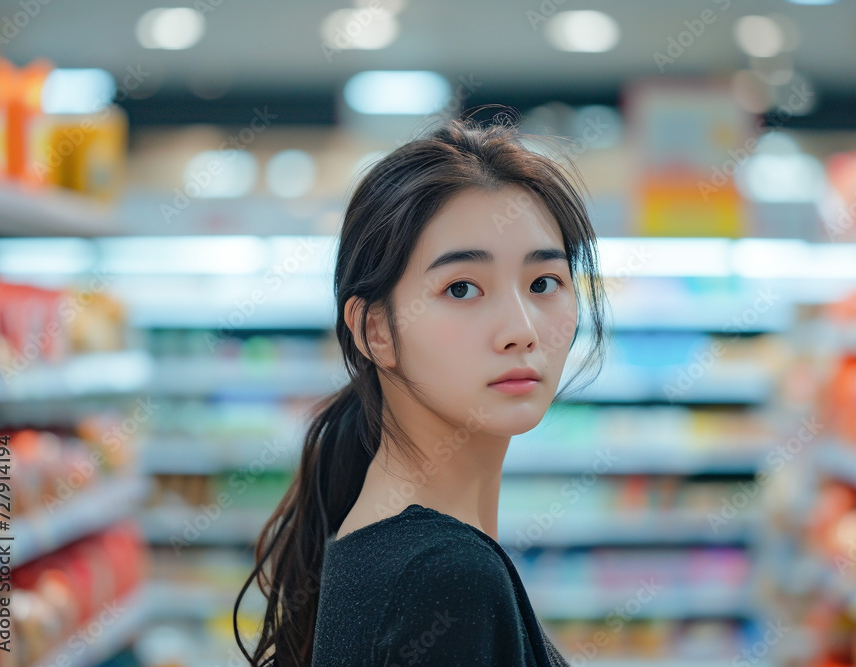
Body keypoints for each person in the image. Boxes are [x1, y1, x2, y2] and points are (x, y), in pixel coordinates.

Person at [233, 109, 609, 667]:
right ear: (375, 329)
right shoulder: (446, 575)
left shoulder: (380, 538)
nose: (522, 331)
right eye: (461, 288)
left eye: (543, 282)